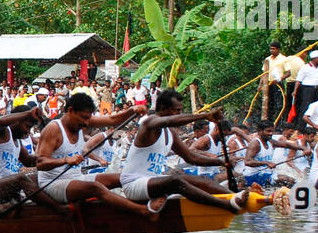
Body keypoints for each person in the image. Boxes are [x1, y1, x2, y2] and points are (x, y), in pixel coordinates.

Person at [104, 89, 250, 213]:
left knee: (201, 180)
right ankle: (228, 206)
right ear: (162, 108)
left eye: (181, 111)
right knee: (175, 180)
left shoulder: (170, 133)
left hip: (153, 183)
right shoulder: (149, 123)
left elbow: (191, 158)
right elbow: (169, 121)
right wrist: (205, 115)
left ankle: (235, 196)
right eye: (177, 111)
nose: (179, 114)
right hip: (133, 185)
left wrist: (221, 161)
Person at [28, 92, 161, 218]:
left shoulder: (81, 121)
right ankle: (143, 211)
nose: (86, 123)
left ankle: (153, 198)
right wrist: (66, 160)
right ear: (70, 111)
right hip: (52, 184)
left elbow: (112, 119)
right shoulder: (53, 129)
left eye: (88, 118)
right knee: (95, 188)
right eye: (84, 118)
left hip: (76, 178)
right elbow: (39, 164)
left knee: (123, 177)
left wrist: (132, 110)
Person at [292, 50, 318, 120]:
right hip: (308, 89)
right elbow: (298, 80)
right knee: (305, 107)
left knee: (317, 106)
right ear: (314, 59)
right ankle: (302, 126)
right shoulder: (305, 68)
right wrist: (295, 91)